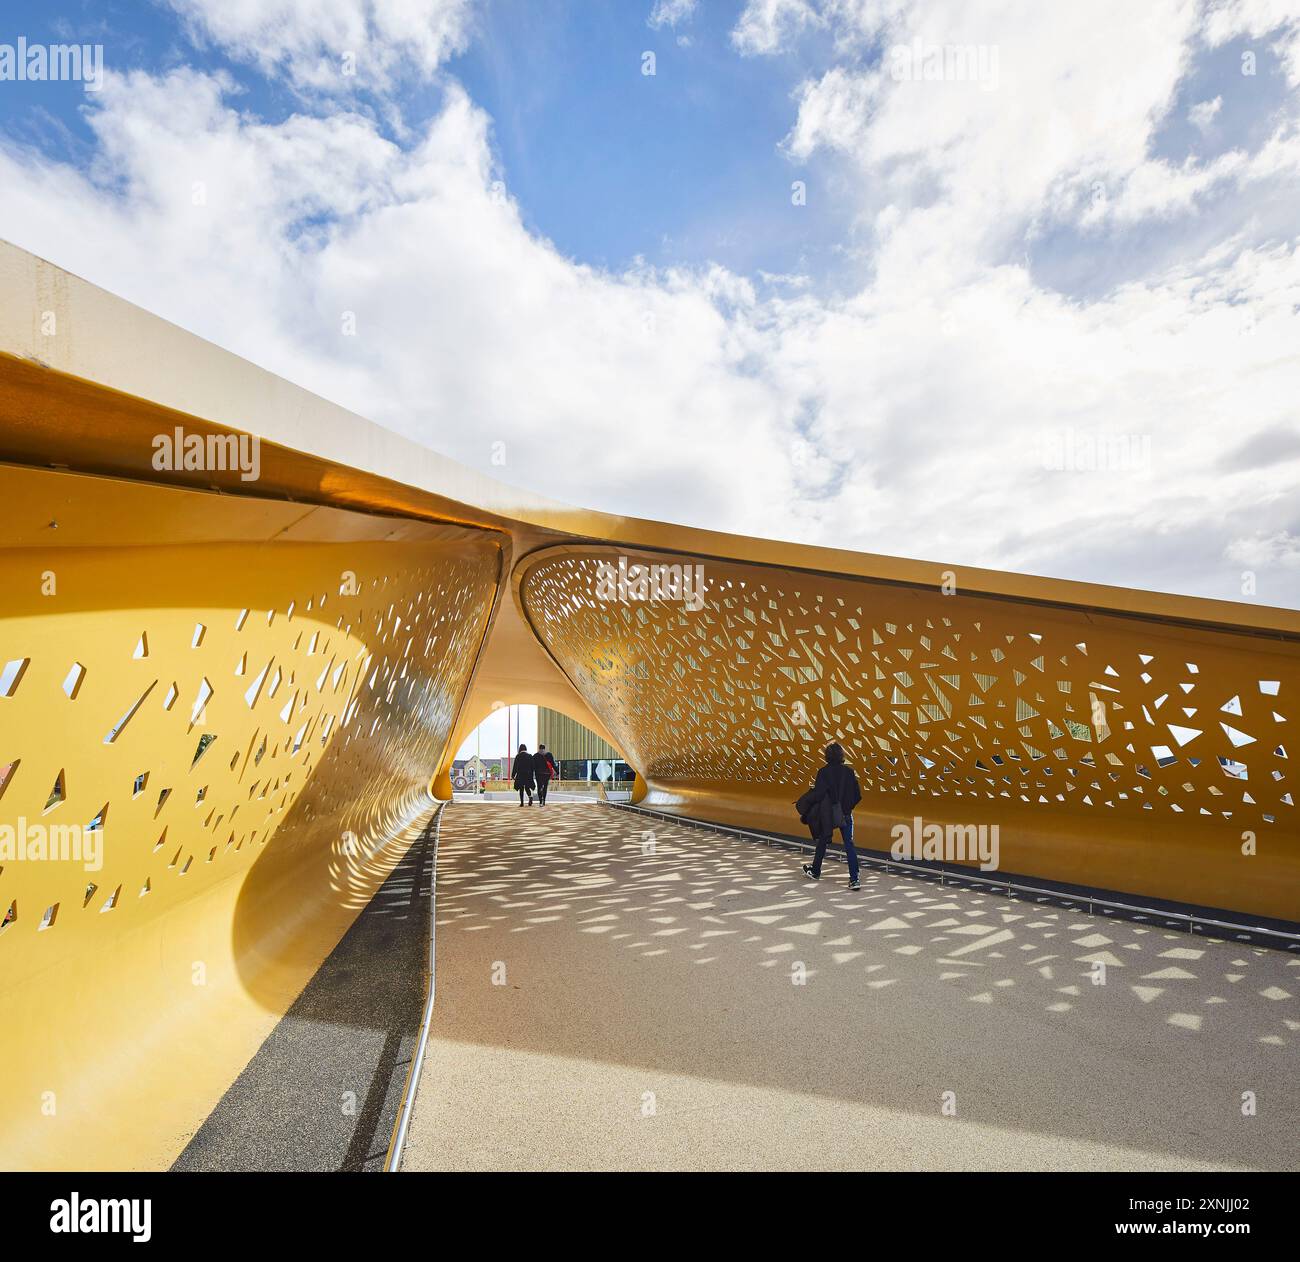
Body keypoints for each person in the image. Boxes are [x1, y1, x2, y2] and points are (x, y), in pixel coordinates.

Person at [796, 742, 862, 890]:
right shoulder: (849, 772)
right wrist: (847, 808)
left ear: (827, 756)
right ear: (841, 755)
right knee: (849, 844)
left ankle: (816, 870)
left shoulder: (823, 772)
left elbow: (819, 795)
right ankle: (854, 879)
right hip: (845, 814)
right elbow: (857, 795)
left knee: (823, 840)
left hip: (828, 815)